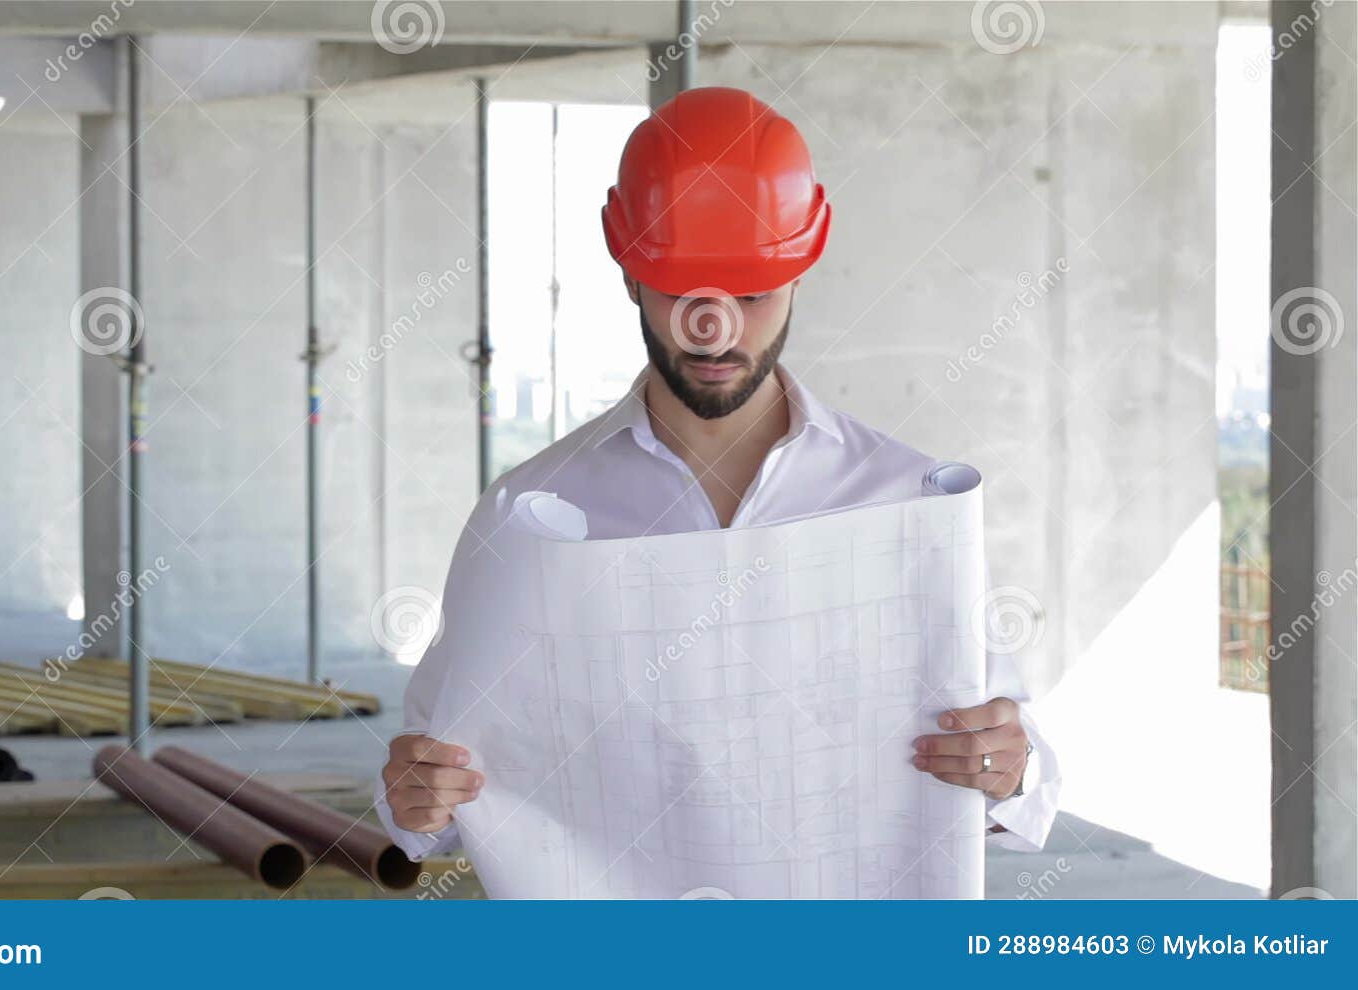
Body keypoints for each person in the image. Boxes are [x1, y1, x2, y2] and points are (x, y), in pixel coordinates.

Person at [376, 87, 1061, 875]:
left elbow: (1022, 773)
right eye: (682, 294)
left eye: (752, 294)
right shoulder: (532, 516)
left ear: (800, 272)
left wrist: (1010, 769)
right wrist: (414, 798)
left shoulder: (906, 501)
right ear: (630, 275)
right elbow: (431, 790)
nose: (715, 330)